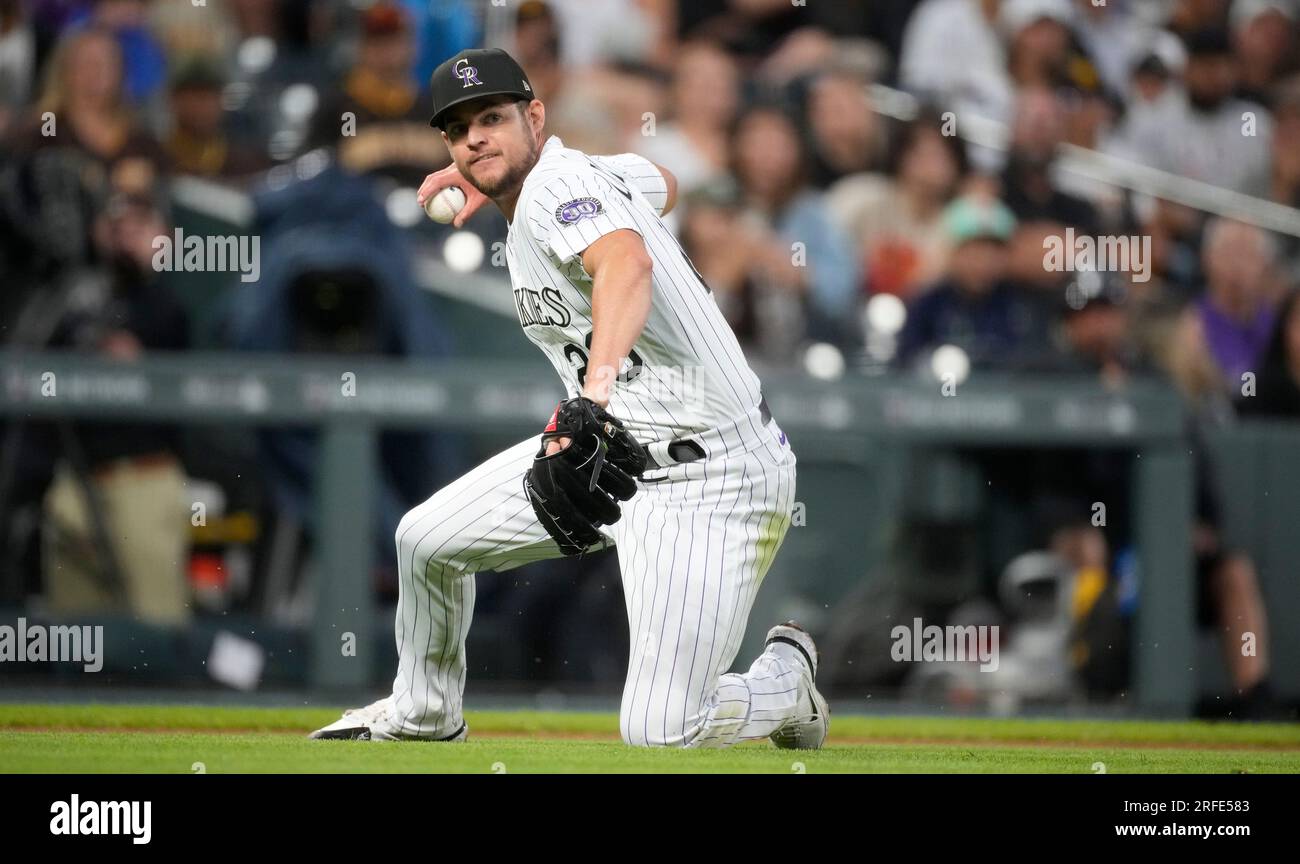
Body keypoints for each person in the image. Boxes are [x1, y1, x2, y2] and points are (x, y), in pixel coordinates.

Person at [310, 48, 824, 749]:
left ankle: (783, 685)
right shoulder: (584, 173)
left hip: (715, 477)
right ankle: (425, 712)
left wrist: (595, 399)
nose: (476, 138)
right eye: (459, 131)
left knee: (662, 730)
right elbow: (665, 181)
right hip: (620, 453)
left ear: (535, 116)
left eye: (492, 118)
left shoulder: (555, 189)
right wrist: (567, 179)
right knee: (425, 541)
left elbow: (627, 262)